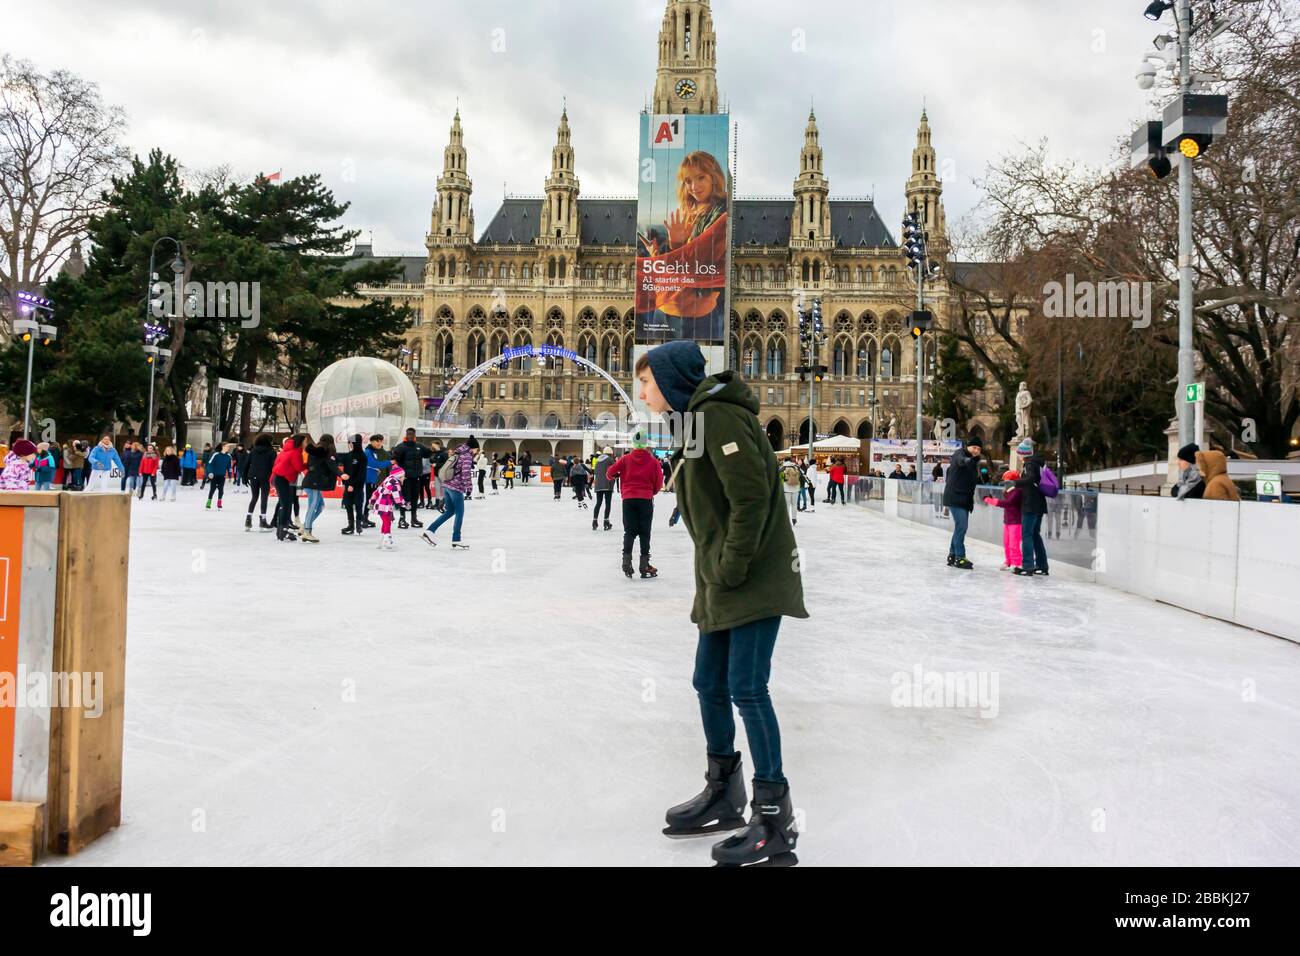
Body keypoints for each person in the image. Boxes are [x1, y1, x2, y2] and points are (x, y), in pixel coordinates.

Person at [640, 341, 807, 868]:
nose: (641, 393)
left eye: (646, 383)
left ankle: (774, 816)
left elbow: (753, 496)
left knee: (747, 689)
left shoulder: (719, 418)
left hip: (750, 575)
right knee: (708, 683)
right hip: (720, 579)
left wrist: (731, 567)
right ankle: (724, 792)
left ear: (668, 381)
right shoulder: (692, 426)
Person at [606, 432, 663, 577]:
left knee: (630, 531)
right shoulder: (653, 461)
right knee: (645, 532)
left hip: (629, 500)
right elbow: (659, 482)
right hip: (645, 499)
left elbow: (609, 473)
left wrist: (619, 476)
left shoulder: (625, 459)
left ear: (633, 444)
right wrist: (651, 492)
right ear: (646, 444)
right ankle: (644, 566)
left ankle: (626, 562)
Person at [422, 436, 476, 549]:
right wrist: (469, 488)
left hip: (446, 485)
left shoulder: (458, 453)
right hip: (456, 488)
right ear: (474, 448)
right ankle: (456, 539)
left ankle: (430, 531)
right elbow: (466, 473)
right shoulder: (467, 456)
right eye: (477, 449)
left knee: (450, 511)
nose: (477, 452)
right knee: (459, 513)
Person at [941, 437, 984, 570]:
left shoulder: (974, 462)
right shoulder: (959, 454)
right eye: (974, 448)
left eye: (978, 449)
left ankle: (952, 554)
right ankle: (960, 557)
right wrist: (968, 460)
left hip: (964, 499)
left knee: (960, 527)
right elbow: (960, 461)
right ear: (968, 447)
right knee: (962, 526)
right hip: (955, 496)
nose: (976, 450)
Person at [1012, 439, 1049, 576]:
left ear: (1023, 454)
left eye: (1019, 453)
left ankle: (1027, 565)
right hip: (1039, 503)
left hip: (1030, 504)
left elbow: (1031, 478)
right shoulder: (1038, 463)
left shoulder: (1029, 464)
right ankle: (1042, 564)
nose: (1019, 456)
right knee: (1034, 534)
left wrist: (1014, 482)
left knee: (1027, 534)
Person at [302, 435, 345, 543]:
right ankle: (307, 531)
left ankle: (305, 526)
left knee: (320, 506)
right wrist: (341, 474)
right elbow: (331, 465)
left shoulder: (317, 451)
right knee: (313, 506)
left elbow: (309, 465)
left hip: (312, 481)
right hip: (313, 482)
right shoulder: (323, 452)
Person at [391, 428, 432, 528]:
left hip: (417, 477)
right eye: (408, 434)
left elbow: (427, 454)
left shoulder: (419, 446)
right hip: (404, 478)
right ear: (406, 435)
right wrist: (399, 474)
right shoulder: (401, 447)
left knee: (414, 498)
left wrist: (432, 450)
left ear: (414, 435)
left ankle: (414, 519)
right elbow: (394, 459)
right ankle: (402, 519)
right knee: (405, 498)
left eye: (411, 434)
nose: (410, 436)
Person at [983, 471, 1023, 571]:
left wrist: (991, 500)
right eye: (1005, 483)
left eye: (1007, 482)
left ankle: (1016, 562)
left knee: (1014, 544)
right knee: (1006, 543)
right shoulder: (1009, 491)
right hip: (1008, 520)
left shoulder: (1018, 491)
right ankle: (1008, 561)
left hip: (1016, 521)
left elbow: (1008, 503)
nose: (1005, 485)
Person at [271, 435, 309, 541]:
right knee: (286, 505)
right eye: (305, 442)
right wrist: (308, 464)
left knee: (285, 504)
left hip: (279, 478)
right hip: (282, 479)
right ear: (300, 442)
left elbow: (276, 464)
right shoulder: (295, 452)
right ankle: (283, 530)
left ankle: (281, 530)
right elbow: (299, 467)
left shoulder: (286, 450)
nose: (306, 444)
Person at [369, 463, 407, 550]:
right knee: (387, 522)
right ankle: (387, 541)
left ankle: (381, 541)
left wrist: (372, 501)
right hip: (385, 505)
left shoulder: (387, 480)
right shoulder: (395, 484)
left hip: (379, 504)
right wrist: (404, 504)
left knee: (385, 521)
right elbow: (398, 498)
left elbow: (376, 491)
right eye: (403, 476)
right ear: (399, 476)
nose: (404, 478)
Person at [338, 435, 370, 535]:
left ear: (356, 443)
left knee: (358, 505)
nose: (350, 445)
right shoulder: (348, 455)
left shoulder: (363, 456)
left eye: (351, 443)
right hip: (348, 486)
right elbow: (345, 472)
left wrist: (352, 484)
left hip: (358, 486)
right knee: (348, 505)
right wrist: (345, 484)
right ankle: (350, 525)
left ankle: (358, 525)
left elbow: (361, 473)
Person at [243, 434, 276, 530]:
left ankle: (248, 520)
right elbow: (273, 466)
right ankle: (263, 521)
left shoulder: (253, 451)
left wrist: (244, 477)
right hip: (265, 477)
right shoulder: (271, 452)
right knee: (264, 498)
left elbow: (246, 464)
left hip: (253, 476)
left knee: (254, 497)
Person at [363, 435, 389, 528]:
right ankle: (363, 518)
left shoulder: (379, 452)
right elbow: (373, 464)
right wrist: (389, 462)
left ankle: (365, 518)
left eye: (381, 441)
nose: (379, 443)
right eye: (377, 441)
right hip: (367, 479)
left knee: (371, 499)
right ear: (371, 442)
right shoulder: (368, 452)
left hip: (374, 480)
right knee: (367, 500)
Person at [592, 446, 615, 531]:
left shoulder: (598, 460)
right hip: (607, 484)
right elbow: (614, 469)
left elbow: (595, 472)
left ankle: (594, 521)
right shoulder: (610, 459)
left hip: (598, 484)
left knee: (598, 503)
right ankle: (606, 522)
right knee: (607, 503)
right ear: (610, 453)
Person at [205, 443, 232, 509]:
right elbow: (210, 464)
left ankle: (219, 502)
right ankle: (209, 502)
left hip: (222, 476)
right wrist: (210, 472)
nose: (228, 448)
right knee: (212, 489)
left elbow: (229, 466)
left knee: (221, 490)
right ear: (223, 447)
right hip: (214, 475)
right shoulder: (216, 454)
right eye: (227, 446)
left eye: (228, 447)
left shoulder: (228, 456)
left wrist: (230, 475)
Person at [779, 457, 802, 525]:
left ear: (785, 460)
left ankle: (787, 520)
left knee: (787, 505)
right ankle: (794, 518)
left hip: (786, 488)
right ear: (791, 460)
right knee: (794, 504)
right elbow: (800, 475)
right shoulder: (796, 466)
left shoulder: (783, 467)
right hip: (796, 488)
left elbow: (779, 476)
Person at [430, 440, 448, 510]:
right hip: (436, 473)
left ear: (437, 445)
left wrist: (436, 464)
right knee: (437, 488)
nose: (432, 446)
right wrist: (431, 461)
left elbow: (446, 464)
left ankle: (445, 503)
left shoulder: (444, 453)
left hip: (442, 474)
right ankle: (437, 503)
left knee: (443, 489)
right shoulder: (434, 453)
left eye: (433, 445)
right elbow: (432, 460)